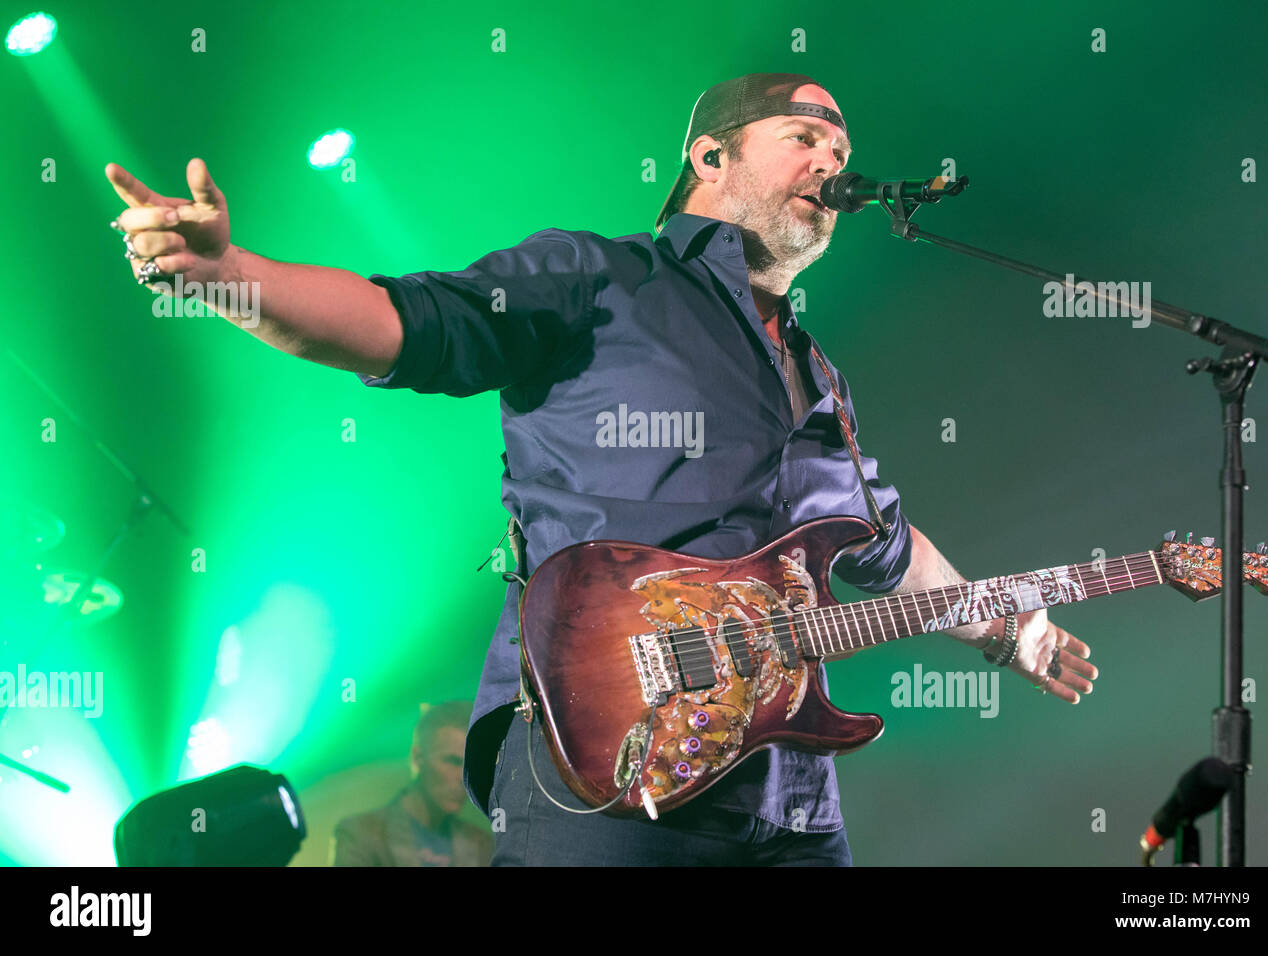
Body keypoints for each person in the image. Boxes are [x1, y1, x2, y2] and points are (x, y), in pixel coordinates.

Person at [105, 72, 1099, 866]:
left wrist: (1010, 628)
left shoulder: (819, 374)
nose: (832, 162)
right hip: (606, 767)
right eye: (805, 136)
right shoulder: (600, 280)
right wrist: (228, 276)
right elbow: (406, 323)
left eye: (841, 149)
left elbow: (883, 545)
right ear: (710, 155)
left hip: (789, 794)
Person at [330, 700, 493, 866]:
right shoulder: (360, 835)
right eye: (452, 761)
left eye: (470, 767)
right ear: (417, 758)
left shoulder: (483, 845)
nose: (463, 778)